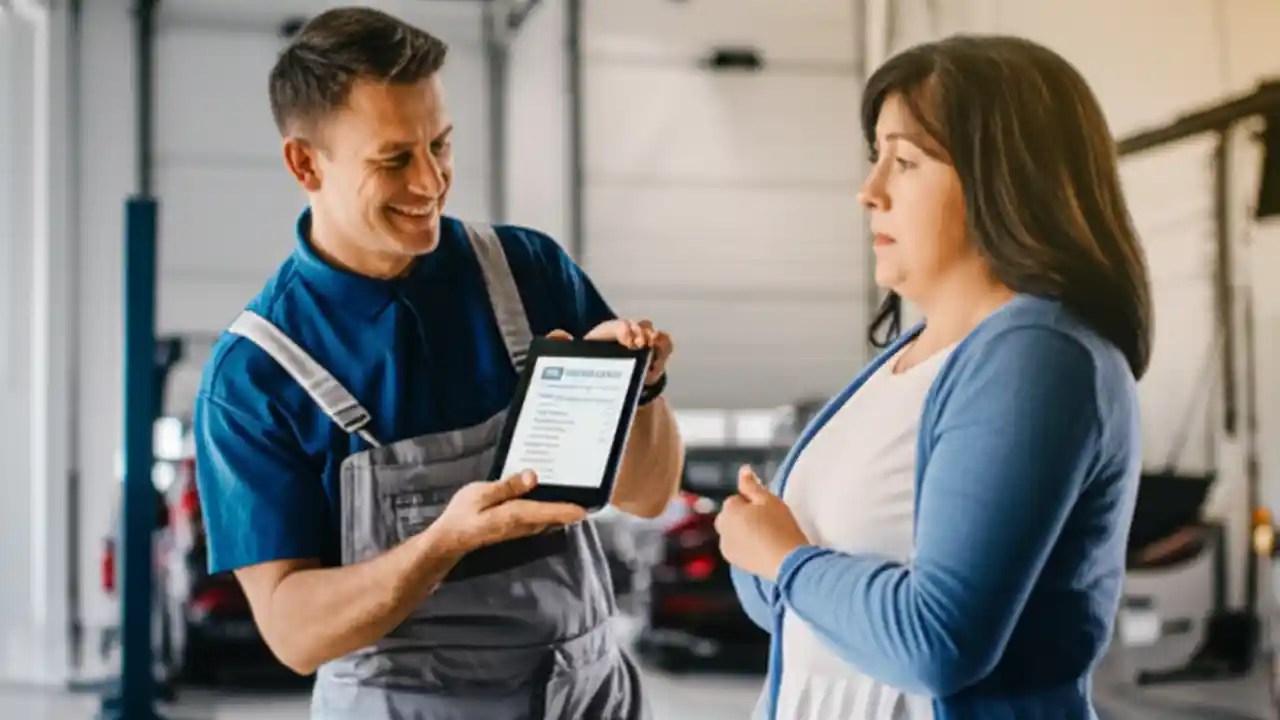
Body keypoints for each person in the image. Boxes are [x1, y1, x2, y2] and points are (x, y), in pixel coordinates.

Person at [192, 7, 683, 719]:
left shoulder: (530, 271)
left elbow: (648, 495)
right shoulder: (255, 378)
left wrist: (644, 388)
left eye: (442, 146)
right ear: (305, 163)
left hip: (585, 695)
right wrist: (441, 545)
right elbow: (294, 632)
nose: (431, 181)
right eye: (394, 159)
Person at [719, 35, 1153, 720]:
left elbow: (935, 644)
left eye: (907, 161)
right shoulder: (904, 360)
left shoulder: (1037, 356)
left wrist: (786, 559)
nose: (870, 192)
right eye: (876, 158)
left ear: (1005, 180)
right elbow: (786, 610)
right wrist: (775, 557)